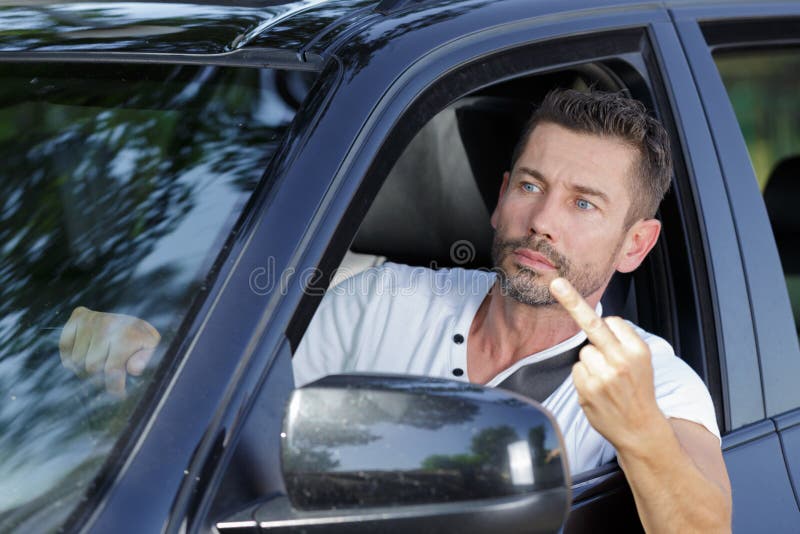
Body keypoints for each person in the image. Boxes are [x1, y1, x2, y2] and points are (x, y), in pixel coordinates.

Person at [60, 89, 732, 532]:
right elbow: (243, 401)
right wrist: (146, 347)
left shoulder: (649, 380)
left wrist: (640, 428)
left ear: (636, 243)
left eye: (584, 204)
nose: (542, 222)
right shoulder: (384, 299)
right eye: (531, 185)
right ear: (500, 198)